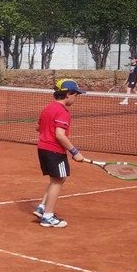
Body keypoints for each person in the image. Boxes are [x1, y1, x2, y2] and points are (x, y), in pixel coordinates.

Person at [34, 79, 86, 228]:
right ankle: (48, 216)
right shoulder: (63, 112)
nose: (76, 98)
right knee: (59, 179)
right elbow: (60, 135)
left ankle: (42, 207)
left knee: (56, 179)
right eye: (76, 95)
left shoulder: (47, 108)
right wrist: (75, 152)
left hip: (42, 148)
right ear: (68, 94)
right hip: (54, 150)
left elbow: (38, 127)